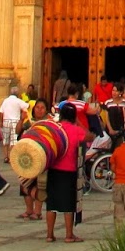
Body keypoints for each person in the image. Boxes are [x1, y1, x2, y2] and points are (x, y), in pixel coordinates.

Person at [44, 102, 88, 242]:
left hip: (53, 170)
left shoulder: (54, 129)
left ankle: (49, 235)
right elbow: (89, 137)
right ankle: (69, 235)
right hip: (69, 171)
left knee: (51, 204)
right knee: (68, 204)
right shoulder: (76, 130)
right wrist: (79, 123)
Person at [18, 99, 51, 221]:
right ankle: (29, 210)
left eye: (42, 108)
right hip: (27, 156)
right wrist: (21, 119)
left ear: (46, 110)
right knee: (24, 184)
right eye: (37, 107)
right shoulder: (29, 122)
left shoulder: (48, 124)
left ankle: (37, 212)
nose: (39, 110)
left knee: (39, 185)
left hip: (42, 158)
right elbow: (17, 131)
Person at [0, 88, 26, 162]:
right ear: (17, 93)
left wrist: (1, 121)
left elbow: (1, 112)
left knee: (6, 139)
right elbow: (27, 106)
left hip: (6, 121)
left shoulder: (5, 101)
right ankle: (11, 157)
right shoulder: (18, 101)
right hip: (15, 122)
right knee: (13, 140)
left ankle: (6, 156)